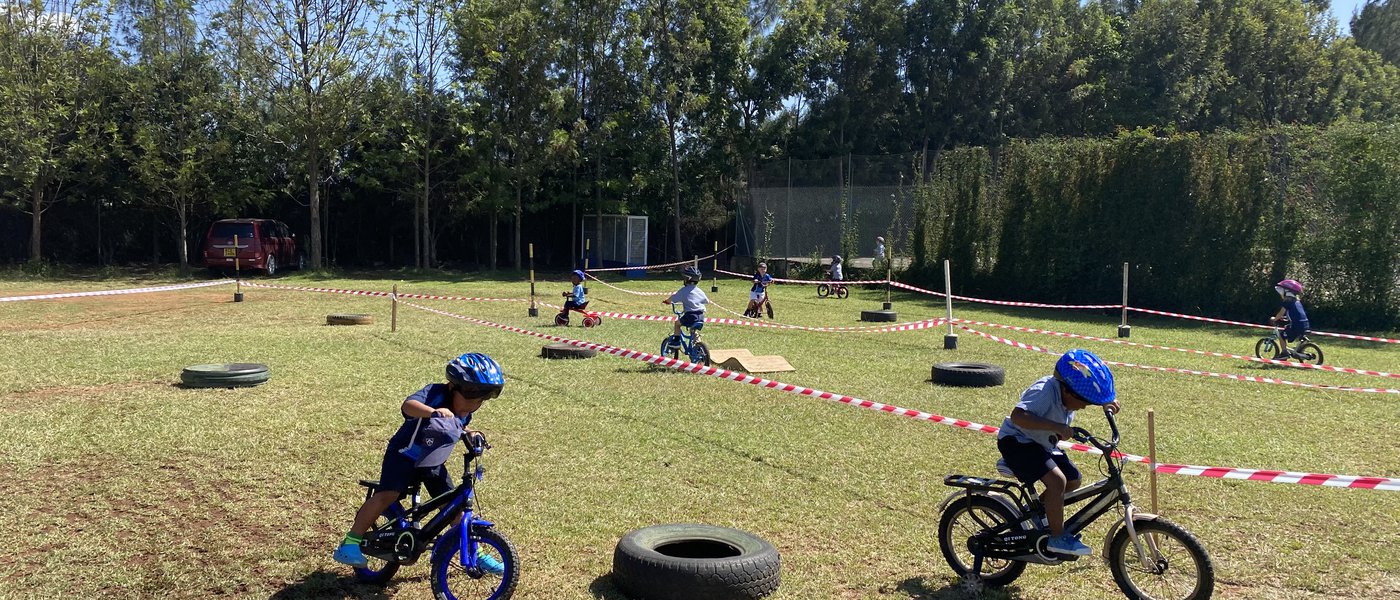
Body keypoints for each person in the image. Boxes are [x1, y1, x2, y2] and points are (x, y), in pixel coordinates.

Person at [333, 353, 506, 574]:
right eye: (471, 400)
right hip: (404, 454)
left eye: (479, 403)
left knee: (453, 505)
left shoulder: (465, 411)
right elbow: (408, 406)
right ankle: (350, 543)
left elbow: (455, 425)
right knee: (388, 495)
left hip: (432, 461)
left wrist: (468, 432)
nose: (471, 408)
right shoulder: (435, 393)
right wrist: (433, 412)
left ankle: (475, 553)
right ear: (455, 387)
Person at [995, 348, 1121, 557]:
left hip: (1042, 444)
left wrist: (1104, 402)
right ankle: (1057, 537)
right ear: (1067, 390)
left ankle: (1032, 514)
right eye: (1084, 401)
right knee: (1057, 482)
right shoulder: (1045, 391)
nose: (1083, 407)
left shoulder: (1068, 392)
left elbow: (1087, 395)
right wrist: (1055, 426)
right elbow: (1018, 416)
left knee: (1073, 480)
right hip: (1017, 441)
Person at [663, 266, 709, 343]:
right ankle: (699, 345)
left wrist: (667, 301)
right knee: (693, 329)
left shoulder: (684, 290)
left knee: (677, 324)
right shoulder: (700, 291)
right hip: (701, 316)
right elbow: (706, 301)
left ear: (686, 279)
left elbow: (673, 298)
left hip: (690, 315)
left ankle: (676, 341)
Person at [1270, 279, 1310, 349]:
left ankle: (1284, 353)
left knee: (1281, 335)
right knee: (1288, 328)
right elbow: (1296, 315)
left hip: (1296, 326)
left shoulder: (1288, 302)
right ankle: (1299, 349)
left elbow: (1281, 313)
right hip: (1305, 324)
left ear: (1287, 292)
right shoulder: (1297, 302)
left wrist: (1275, 319)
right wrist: (1285, 318)